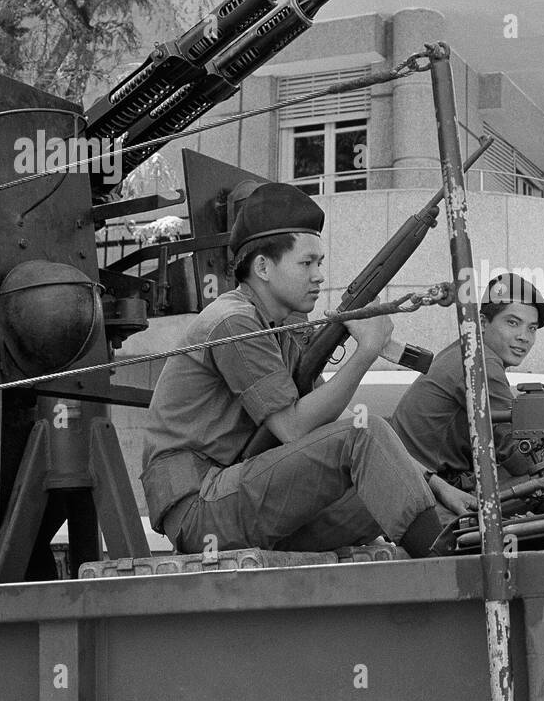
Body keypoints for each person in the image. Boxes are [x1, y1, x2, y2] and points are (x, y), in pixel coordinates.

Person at [140, 182, 475, 559]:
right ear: (263, 267)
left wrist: (435, 484)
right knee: (365, 433)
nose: (318, 275)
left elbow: (332, 419)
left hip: (241, 498)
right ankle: (444, 565)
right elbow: (294, 427)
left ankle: (454, 546)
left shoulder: (284, 328)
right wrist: (366, 352)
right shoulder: (232, 321)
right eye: (306, 263)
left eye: (320, 262)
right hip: (202, 508)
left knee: (383, 487)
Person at [390, 272, 544, 488]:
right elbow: (524, 459)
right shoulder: (479, 363)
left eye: (531, 328)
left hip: (421, 480)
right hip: (428, 489)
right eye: (513, 323)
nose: (524, 336)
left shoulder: (466, 351)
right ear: (483, 323)